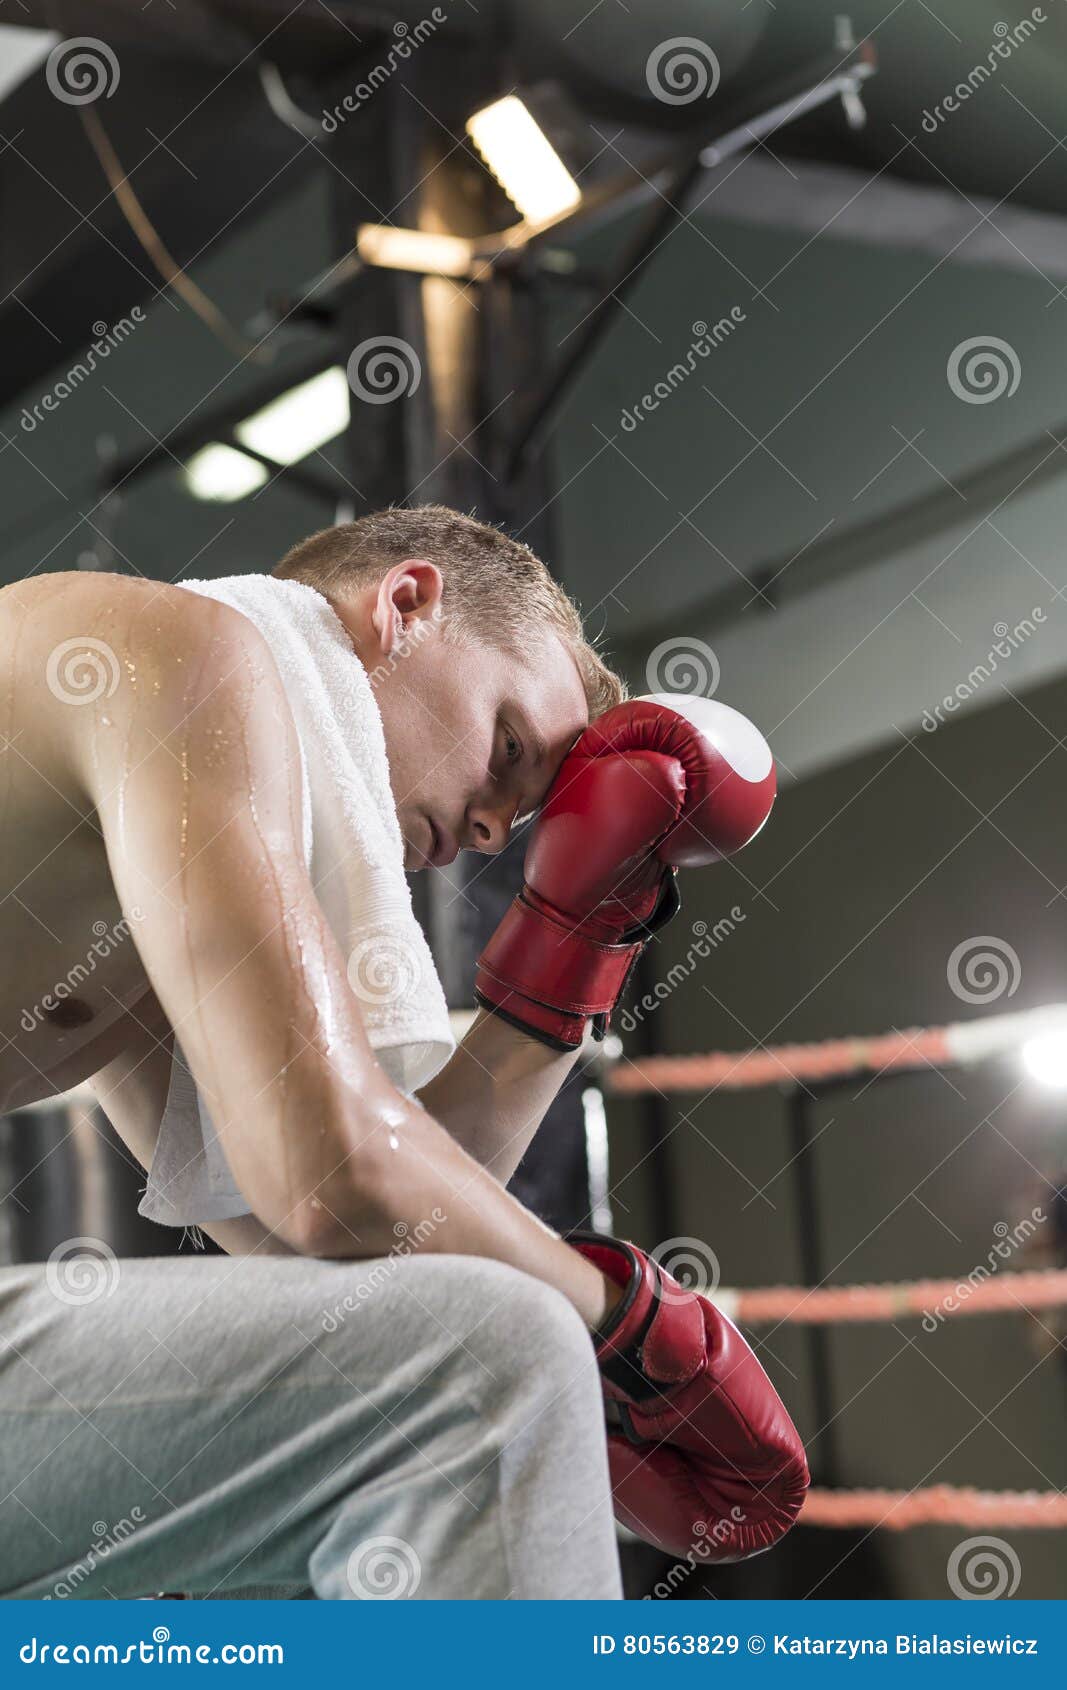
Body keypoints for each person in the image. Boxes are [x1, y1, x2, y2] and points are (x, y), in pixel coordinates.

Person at [0, 505, 806, 1600]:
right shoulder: (181, 652)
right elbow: (332, 1177)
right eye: (508, 749)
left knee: (441, 1364)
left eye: (519, 820)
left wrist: (572, 951)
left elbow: (351, 1256)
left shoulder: (151, 860)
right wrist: (624, 1323)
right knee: (496, 1355)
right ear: (407, 605)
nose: (491, 830)